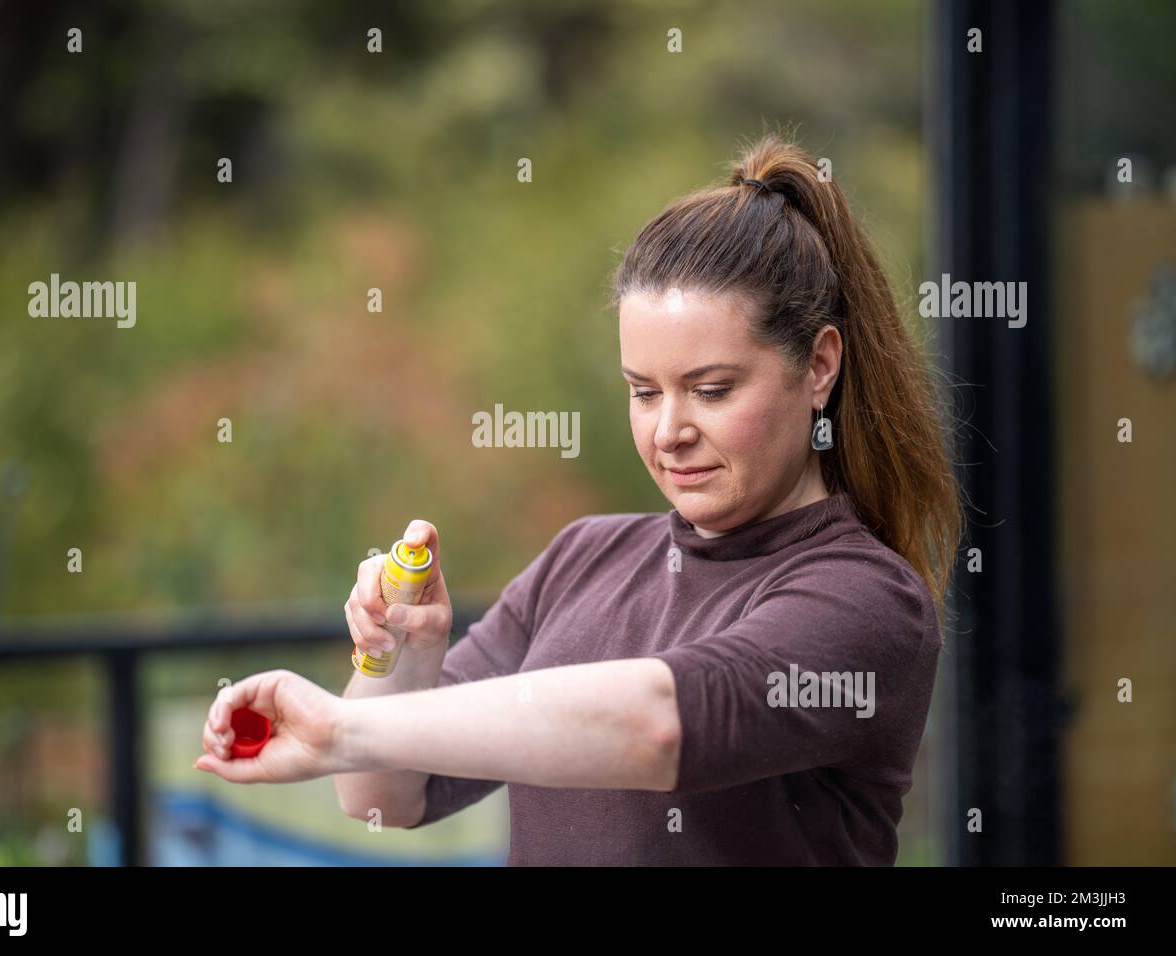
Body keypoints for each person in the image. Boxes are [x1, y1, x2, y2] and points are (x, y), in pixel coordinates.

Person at [195, 134, 962, 865]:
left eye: (712, 390)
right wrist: (400, 654)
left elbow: (661, 725)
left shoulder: (866, 600)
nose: (669, 432)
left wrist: (341, 728)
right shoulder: (583, 557)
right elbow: (383, 795)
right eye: (642, 391)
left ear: (820, 366)